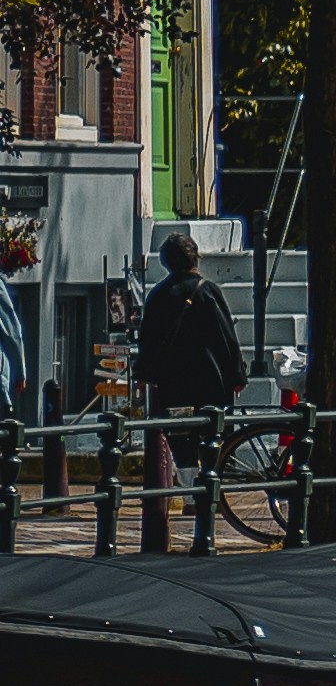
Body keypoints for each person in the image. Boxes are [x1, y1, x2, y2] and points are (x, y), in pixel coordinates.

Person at [134, 231, 244, 554]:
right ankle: (208, 496)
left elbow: (148, 342)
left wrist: (145, 374)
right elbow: (226, 337)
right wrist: (237, 374)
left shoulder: (157, 296)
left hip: (174, 384)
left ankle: (189, 494)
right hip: (209, 383)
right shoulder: (208, 292)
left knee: (181, 440)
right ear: (195, 258)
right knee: (211, 439)